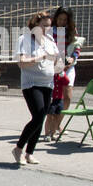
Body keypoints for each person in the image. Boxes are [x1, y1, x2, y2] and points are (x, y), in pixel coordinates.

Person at [13, 11, 59, 165]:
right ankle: (18, 148)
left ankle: (29, 153)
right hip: (31, 84)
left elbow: (56, 60)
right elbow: (21, 62)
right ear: (35, 25)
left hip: (48, 84)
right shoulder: (25, 39)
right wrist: (39, 58)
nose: (47, 29)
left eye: (49, 27)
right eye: (44, 26)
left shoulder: (50, 40)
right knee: (39, 115)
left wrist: (65, 63)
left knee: (40, 118)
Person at [44, 6, 82, 140]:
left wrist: (73, 57)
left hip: (68, 66)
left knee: (68, 96)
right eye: (60, 19)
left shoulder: (72, 31)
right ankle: (49, 126)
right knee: (54, 96)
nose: (62, 22)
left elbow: (77, 47)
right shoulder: (50, 31)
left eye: (65, 20)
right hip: (54, 67)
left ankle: (58, 123)